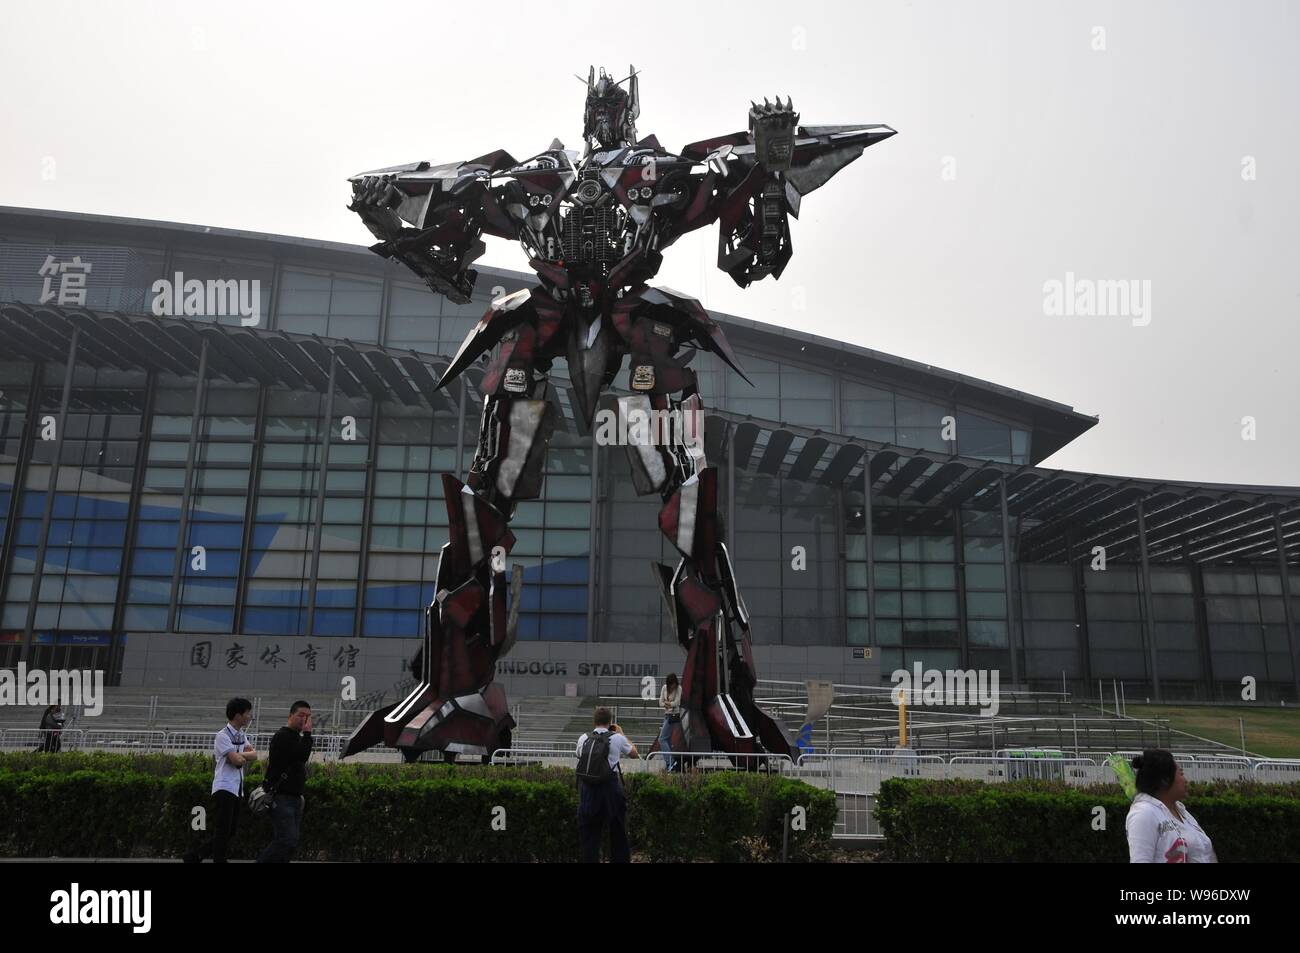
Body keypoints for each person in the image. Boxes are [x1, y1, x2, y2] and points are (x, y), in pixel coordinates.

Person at [185, 698, 257, 863]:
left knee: (230, 830)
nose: (249, 716)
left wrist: (241, 755)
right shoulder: (222, 735)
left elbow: (253, 755)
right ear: (238, 715)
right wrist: (241, 756)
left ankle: (195, 855)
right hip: (224, 786)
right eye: (247, 713)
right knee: (223, 828)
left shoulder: (241, 735)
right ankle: (219, 859)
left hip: (237, 787)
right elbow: (235, 760)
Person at [1125, 749, 1217, 863]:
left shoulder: (1183, 813)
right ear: (1165, 780)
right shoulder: (1144, 813)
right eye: (1181, 774)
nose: (1186, 780)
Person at [575, 707, 638, 863]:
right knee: (618, 832)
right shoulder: (616, 738)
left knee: (589, 834)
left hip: (588, 790)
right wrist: (621, 733)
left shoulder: (583, 738)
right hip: (610, 790)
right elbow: (634, 754)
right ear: (610, 722)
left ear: (594, 721)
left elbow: (578, 755)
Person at [257, 700, 313, 863]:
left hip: (294, 798)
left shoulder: (297, 737)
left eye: (308, 717)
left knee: (291, 842)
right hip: (281, 797)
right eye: (301, 715)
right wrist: (308, 735)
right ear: (290, 716)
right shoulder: (283, 736)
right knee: (285, 839)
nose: (304, 720)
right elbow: (302, 756)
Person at [657, 674, 682, 772]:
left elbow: (677, 703)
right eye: (671, 684)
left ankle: (670, 762)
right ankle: (670, 764)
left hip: (673, 716)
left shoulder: (679, 688)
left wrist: (668, 704)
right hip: (666, 715)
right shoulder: (664, 688)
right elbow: (660, 703)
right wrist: (668, 704)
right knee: (666, 739)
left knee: (662, 739)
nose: (672, 686)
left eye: (674, 684)